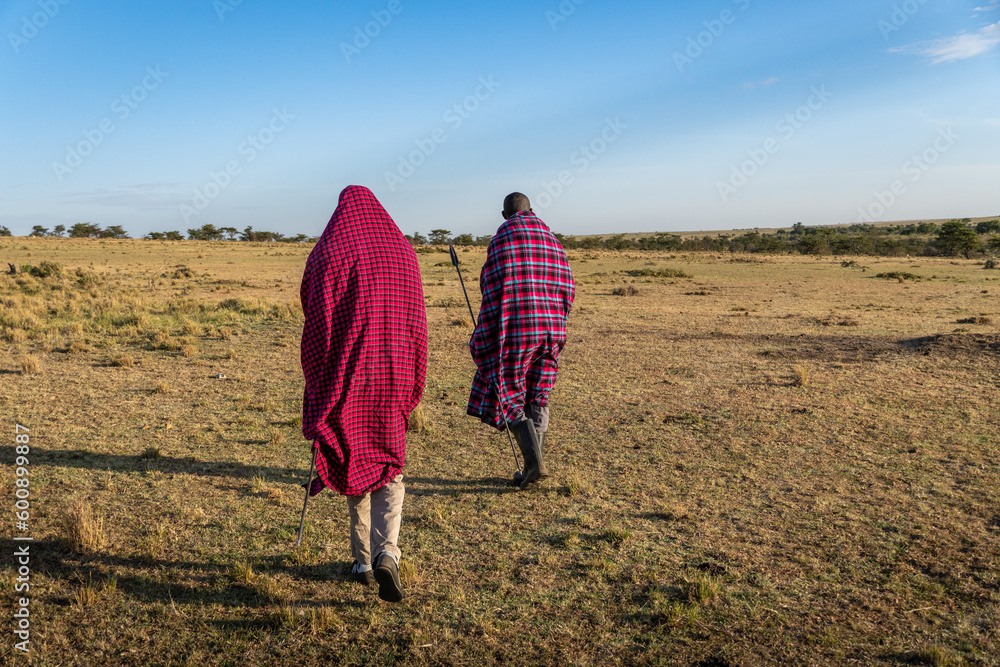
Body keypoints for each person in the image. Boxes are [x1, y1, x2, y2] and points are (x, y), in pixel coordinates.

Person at [300, 185, 428, 602]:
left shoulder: (328, 252)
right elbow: (417, 321)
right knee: (389, 464)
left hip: (346, 374)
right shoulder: (403, 252)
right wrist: (413, 372)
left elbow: (314, 317)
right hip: (393, 370)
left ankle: (361, 560)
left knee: (352, 455)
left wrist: (318, 378)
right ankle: (386, 550)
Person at [467, 192, 575, 489]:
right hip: (551, 328)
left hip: (516, 328)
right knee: (538, 391)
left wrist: (485, 329)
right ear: (531, 210)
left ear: (505, 215)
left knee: (510, 389)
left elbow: (491, 287)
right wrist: (556, 318)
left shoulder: (502, 237)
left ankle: (532, 463)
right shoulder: (550, 238)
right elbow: (567, 284)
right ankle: (535, 463)